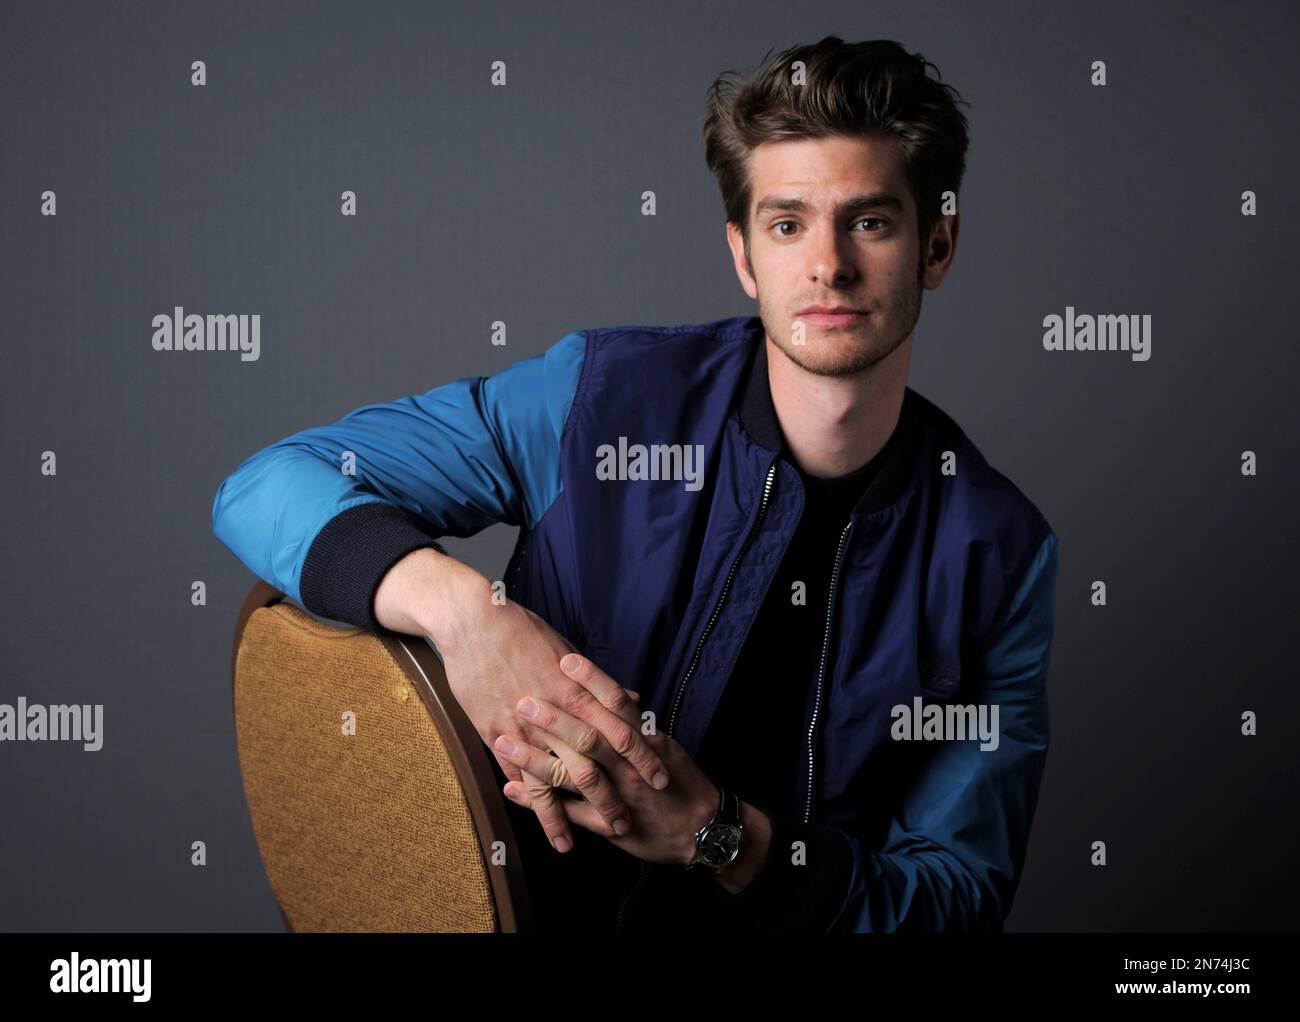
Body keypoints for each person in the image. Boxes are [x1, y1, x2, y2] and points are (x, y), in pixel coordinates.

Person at [212, 36, 1059, 932]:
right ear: (743, 255)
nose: (828, 266)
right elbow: (266, 486)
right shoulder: (600, 400)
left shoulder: (998, 554)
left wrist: (717, 836)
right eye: (787, 224)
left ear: (937, 245)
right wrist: (469, 617)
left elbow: (957, 903)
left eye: (870, 222)